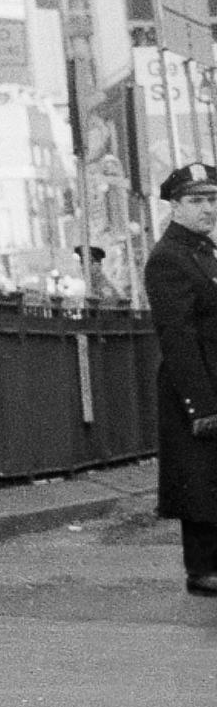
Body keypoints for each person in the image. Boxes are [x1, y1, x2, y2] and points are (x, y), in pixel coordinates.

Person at [144, 160, 217, 600]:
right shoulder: (168, 258)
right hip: (196, 383)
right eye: (197, 201)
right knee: (200, 478)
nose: (208, 209)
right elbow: (178, 337)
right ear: (175, 206)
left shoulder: (204, 251)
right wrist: (203, 405)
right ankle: (203, 568)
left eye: (212, 200)